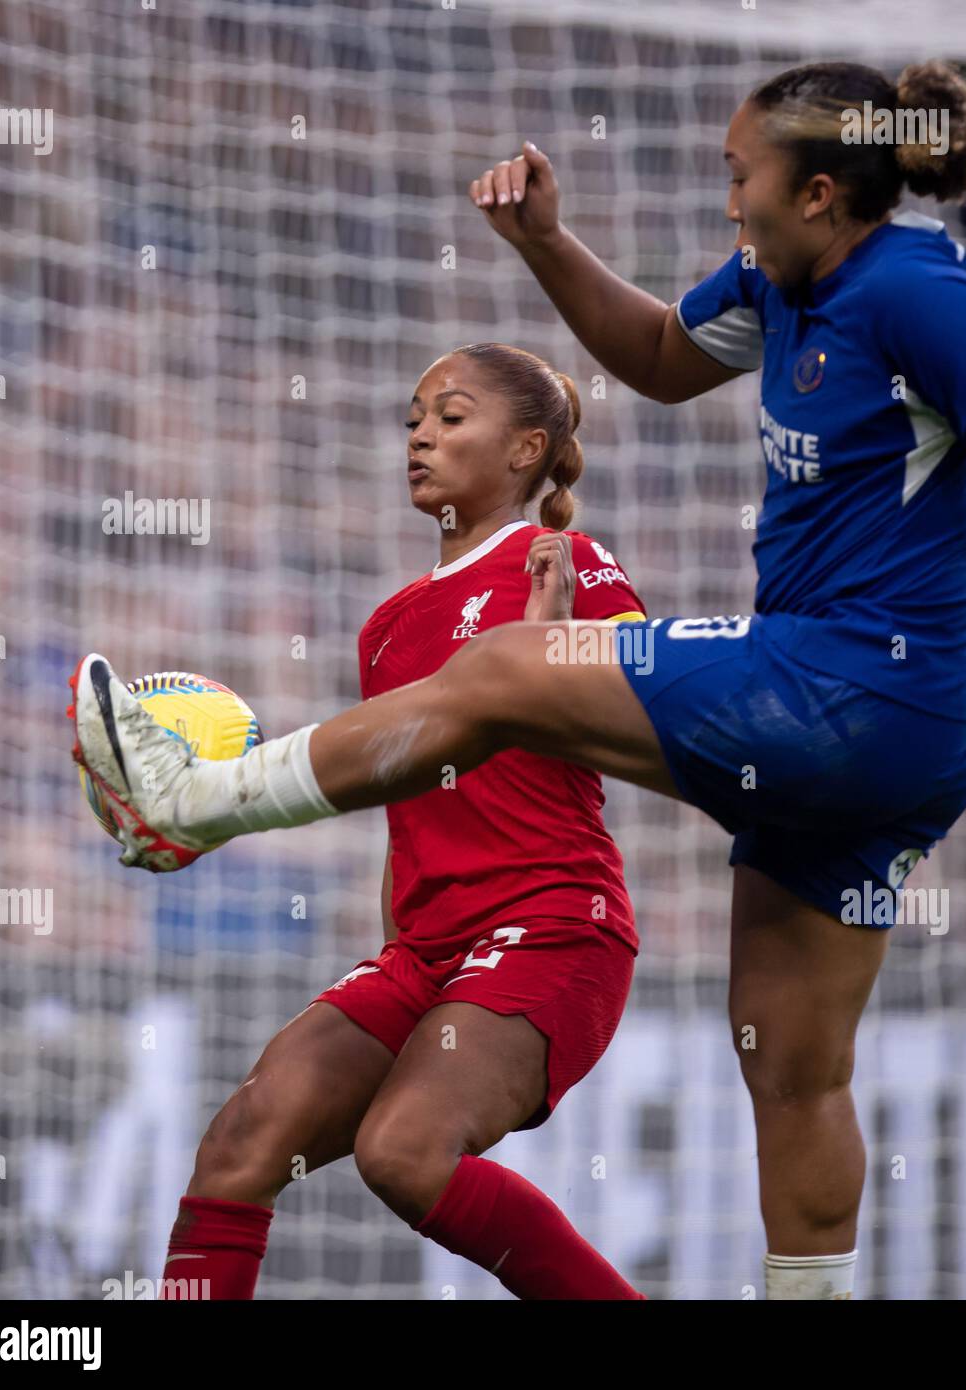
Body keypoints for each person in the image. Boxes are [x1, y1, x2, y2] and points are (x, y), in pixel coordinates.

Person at [72, 61, 966, 1301]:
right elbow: (661, 355)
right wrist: (547, 244)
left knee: (503, 666)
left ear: (818, 193)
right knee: (792, 1061)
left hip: (861, 683)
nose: (727, 205)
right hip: (865, 739)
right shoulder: (786, 278)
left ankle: (195, 801)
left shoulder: (917, 286)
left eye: (738, 179)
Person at [149, 343, 649, 1300]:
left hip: (551, 927)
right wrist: (396, 959)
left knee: (405, 1152)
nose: (420, 434)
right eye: (414, 417)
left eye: (450, 417)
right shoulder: (385, 625)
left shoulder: (566, 564)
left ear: (525, 449)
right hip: (426, 951)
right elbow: (409, 813)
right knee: (241, 1144)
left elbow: (658, 709)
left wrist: (554, 652)